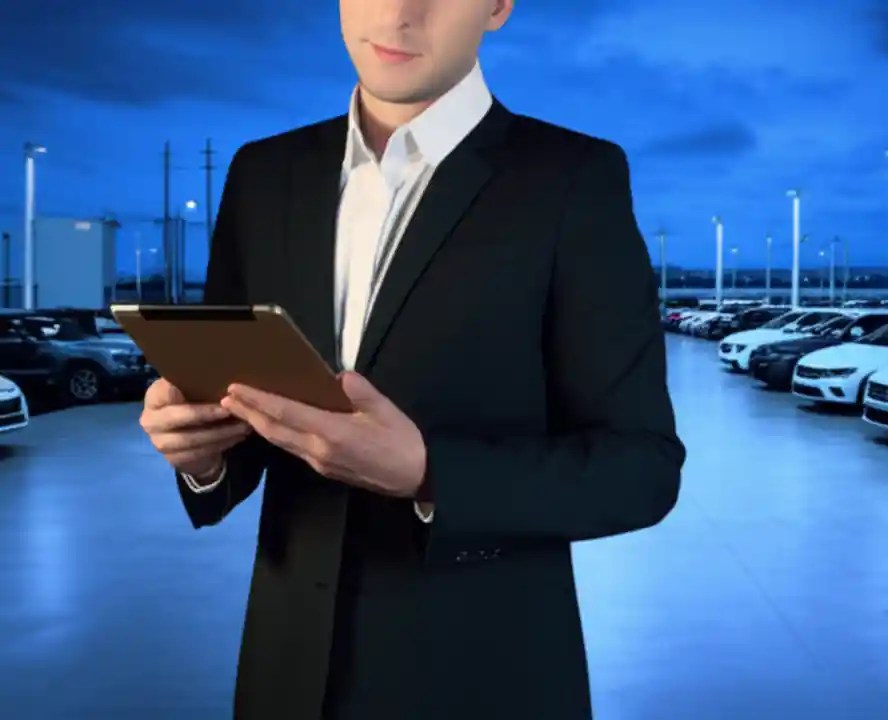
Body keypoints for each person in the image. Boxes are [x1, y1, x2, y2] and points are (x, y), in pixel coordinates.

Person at [136, 1, 685, 717]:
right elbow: (244, 421)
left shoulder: (573, 180)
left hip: (482, 676)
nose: (398, 12)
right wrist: (201, 454)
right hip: (285, 673)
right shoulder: (264, 174)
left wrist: (430, 472)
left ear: (497, 7)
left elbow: (640, 471)